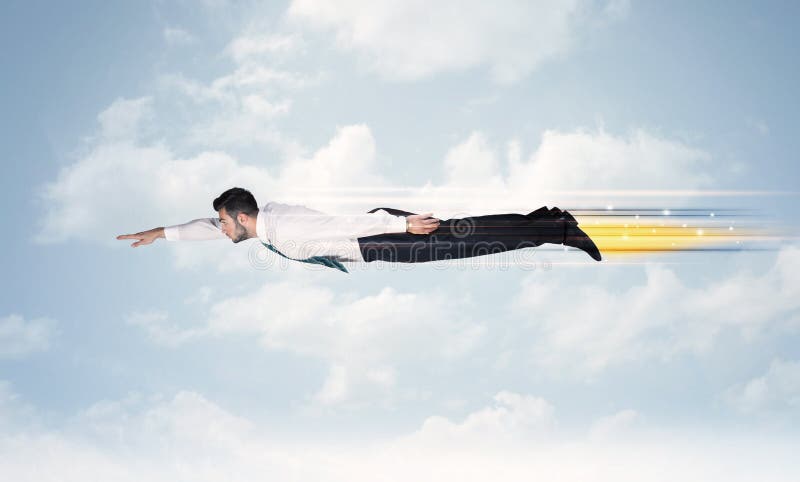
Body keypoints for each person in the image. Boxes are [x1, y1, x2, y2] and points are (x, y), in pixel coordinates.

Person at [117, 187, 601, 273]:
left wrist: (400, 224)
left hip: (379, 238)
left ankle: (557, 228)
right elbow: (207, 227)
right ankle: (546, 218)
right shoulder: (263, 221)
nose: (220, 230)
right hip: (377, 238)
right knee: (465, 234)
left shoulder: (284, 227)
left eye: (225, 223)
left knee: (470, 242)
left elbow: (339, 224)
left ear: (241, 218)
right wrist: (161, 233)